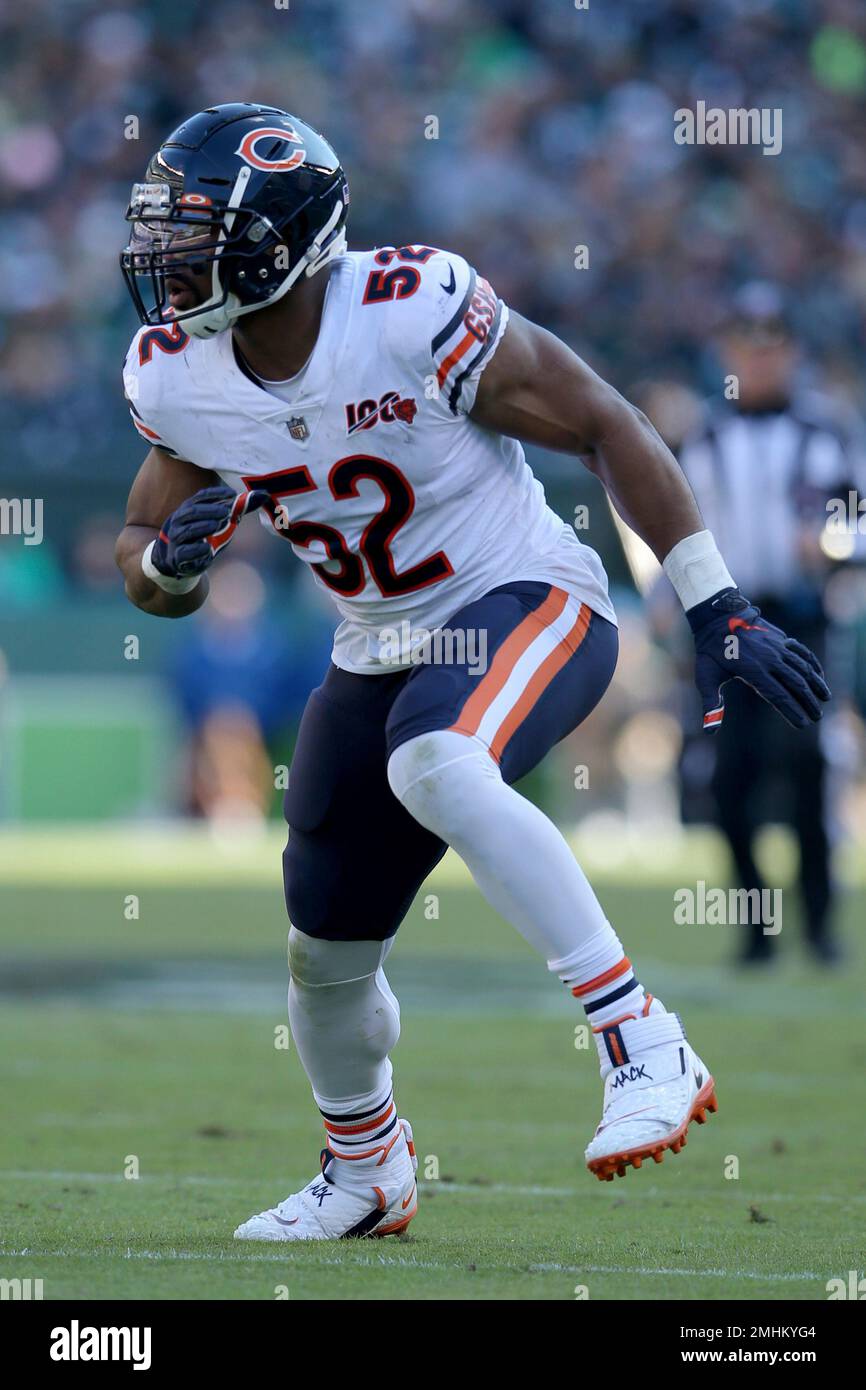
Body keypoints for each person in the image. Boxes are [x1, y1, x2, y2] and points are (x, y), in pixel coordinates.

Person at [115, 104, 829, 1240]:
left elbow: (602, 420)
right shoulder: (177, 374)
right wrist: (168, 562)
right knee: (324, 950)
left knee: (437, 757)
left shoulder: (406, 309)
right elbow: (142, 561)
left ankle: (639, 1036)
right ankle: (366, 1170)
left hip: (524, 593)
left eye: (198, 231)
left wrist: (716, 603)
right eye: (164, 229)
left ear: (283, 239)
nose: (169, 257)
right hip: (375, 639)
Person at [676, 285, 855, 964]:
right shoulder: (705, 439)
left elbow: (853, 521)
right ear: (728, 353)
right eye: (748, 346)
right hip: (728, 619)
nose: (760, 359)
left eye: (772, 345)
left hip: (799, 615)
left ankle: (817, 925)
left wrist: (830, 545)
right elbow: (677, 526)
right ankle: (756, 928)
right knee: (729, 776)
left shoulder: (825, 434)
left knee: (808, 766)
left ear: (792, 353)